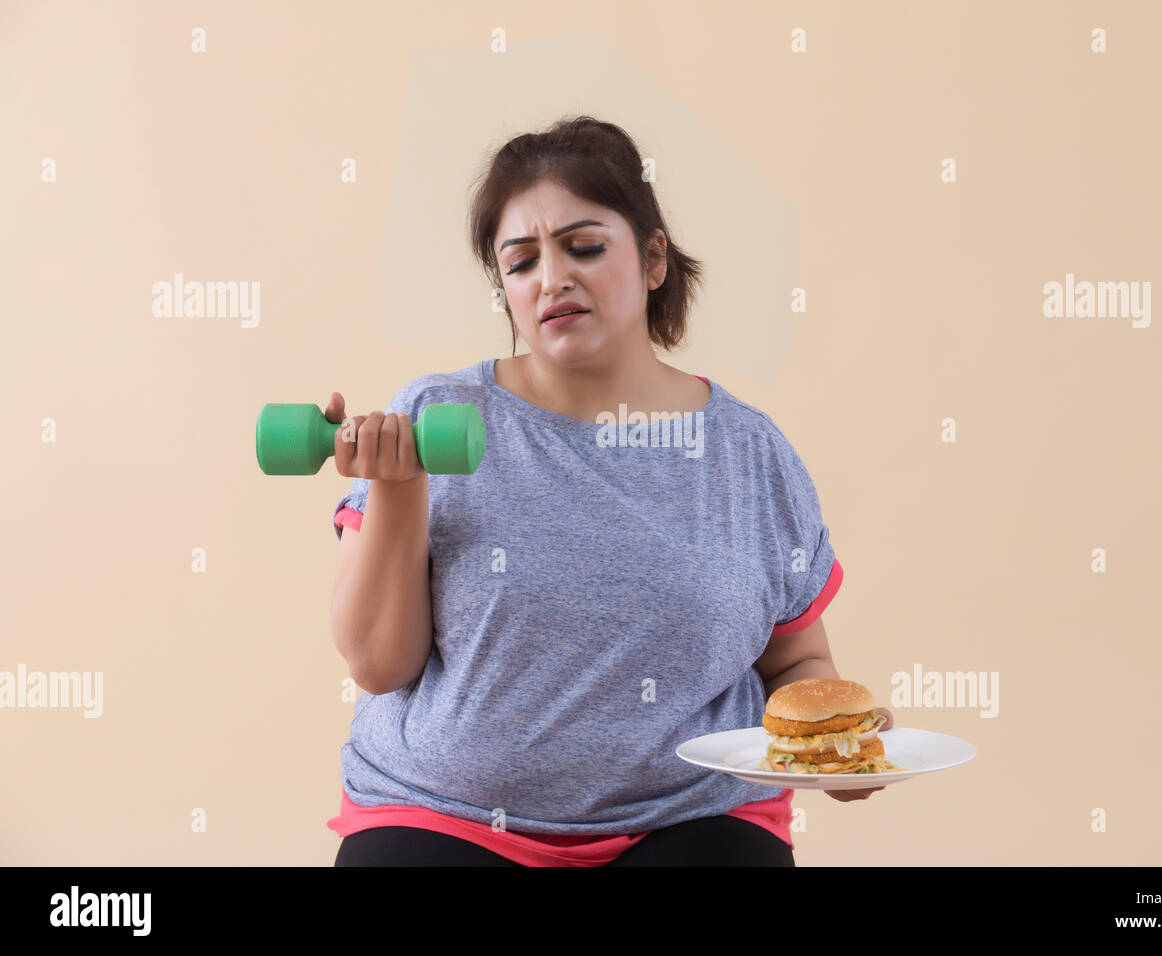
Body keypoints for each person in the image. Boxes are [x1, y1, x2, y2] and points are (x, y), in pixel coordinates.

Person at [326, 115, 890, 867]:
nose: (552, 278)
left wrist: (836, 746)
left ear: (654, 257)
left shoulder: (750, 453)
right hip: (442, 815)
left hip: (688, 817)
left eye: (583, 246)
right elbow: (377, 666)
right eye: (521, 263)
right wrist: (398, 490)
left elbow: (793, 664)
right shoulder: (436, 419)